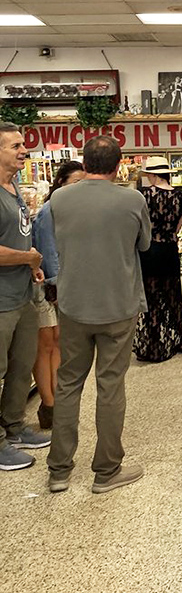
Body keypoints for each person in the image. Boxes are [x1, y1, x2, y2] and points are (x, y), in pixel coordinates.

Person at [47, 135, 151, 494]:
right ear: (119, 165)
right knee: (110, 385)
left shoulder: (59, 198)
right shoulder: (132, 199)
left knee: (68, 382)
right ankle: (106, 471)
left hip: (73, 304)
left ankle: (59, 470)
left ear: (85, 163)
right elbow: (145, 244)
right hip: (118, 305)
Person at [0, 122, 50, 472]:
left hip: (23, 292)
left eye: (23, 146)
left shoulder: (14, 187)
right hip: (1, 299)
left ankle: (15, 426)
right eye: (15, 146)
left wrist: (31, 264)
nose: (23, 151)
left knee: (21, 366)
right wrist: (27, 258)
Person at [32, 160, 85, 429]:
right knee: (47, 342)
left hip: (64, 284)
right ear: (61, 182)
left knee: (60, 341)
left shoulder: (72, 210)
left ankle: (57, 399)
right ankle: (48, 403)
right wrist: (55, 285)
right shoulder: (50, 210)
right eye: (75, 183)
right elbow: (47, 249)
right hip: (46, 286)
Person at [133, 156, 182, 362]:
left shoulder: (142, 195)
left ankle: (155, 343)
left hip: (148, 250)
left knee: (151, 294)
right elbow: (178, 227)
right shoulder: (180, 196)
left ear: (152, 174)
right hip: (169, 250)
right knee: (173, 293)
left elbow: (138, 225)